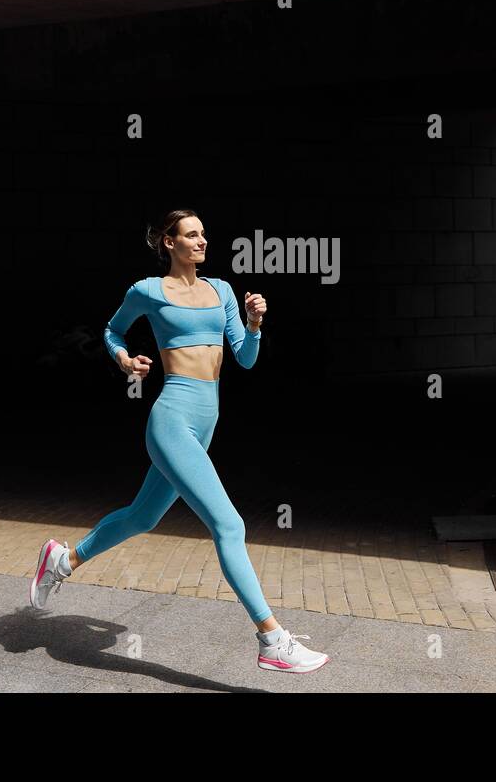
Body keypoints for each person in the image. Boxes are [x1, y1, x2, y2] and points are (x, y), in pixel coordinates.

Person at [29, 209, 330, 674]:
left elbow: (245, 360)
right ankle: (271, 639)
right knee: (229, 526)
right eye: (192, 234)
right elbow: (111, 331)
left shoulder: (222, 291)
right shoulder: (147, 290)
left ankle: (62, 559)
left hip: (205, 422)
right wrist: (125, 361)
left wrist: (253, 324)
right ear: (168, 243)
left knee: (143, 517)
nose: (202, 241)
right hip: (171, 421)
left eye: (204, 233)